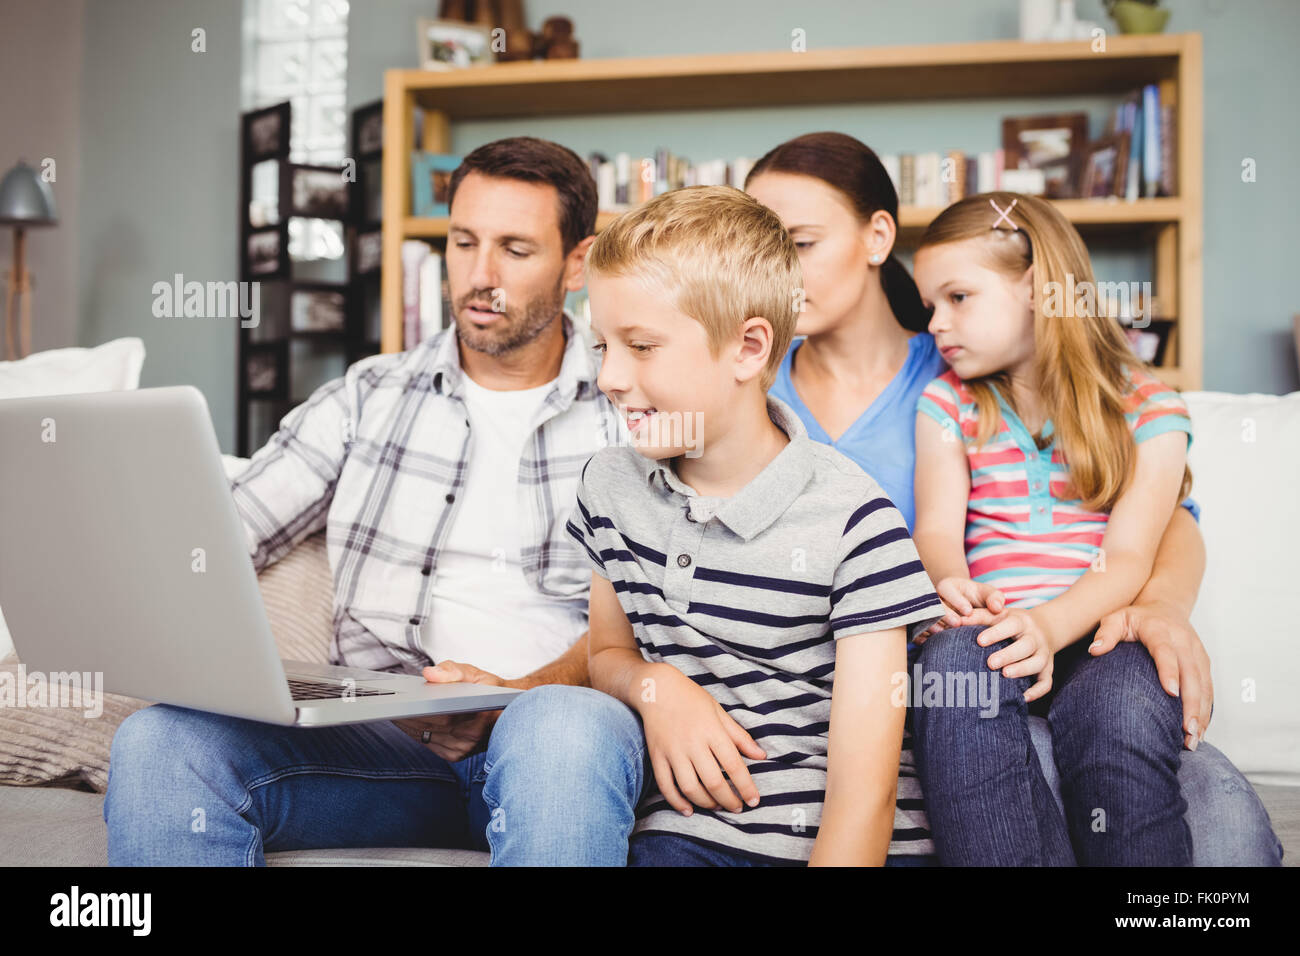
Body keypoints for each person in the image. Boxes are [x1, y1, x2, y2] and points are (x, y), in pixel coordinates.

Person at [743, 131, 1281, 865]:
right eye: (757, 247)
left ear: (877, 237)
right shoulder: (740, 391)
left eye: (798, 242)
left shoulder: (962, 369)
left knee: (1226, 834)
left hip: (1059, 651)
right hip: (906, 687)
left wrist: (1159, 608)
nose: (776, 271)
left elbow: (1164, 526)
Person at [103, 137, 625, 865]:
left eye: (515, 249)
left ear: (576, 262)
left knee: (562, 732)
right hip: (388, 744)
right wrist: (115, 531)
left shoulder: (630, 406)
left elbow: (652, 618)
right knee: (161, 742)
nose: (481, 275)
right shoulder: (368, 395)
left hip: (554, 735)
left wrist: (518, 692)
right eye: (464, 241)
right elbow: (223, 534)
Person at [571, 184, 944, 865]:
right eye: (602, 345)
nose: (610, 376)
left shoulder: (855, 520)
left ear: (747, 348)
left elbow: (865, 800)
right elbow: (608, 655)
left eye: (641, 346)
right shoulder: (609, 487)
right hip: (685, 838)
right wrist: (657, 687)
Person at [910, 191, 1194, 864]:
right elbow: (937, 532)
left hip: (1100, 630)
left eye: (958, 298)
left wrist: (1051, 626)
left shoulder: (1149, 407)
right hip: (998, 624)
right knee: (951, 664)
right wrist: (953, 585)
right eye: (929, 307)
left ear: (1039, 288)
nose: (937, 326)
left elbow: (1128, 558)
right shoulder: (947, 402)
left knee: (1125, 709)